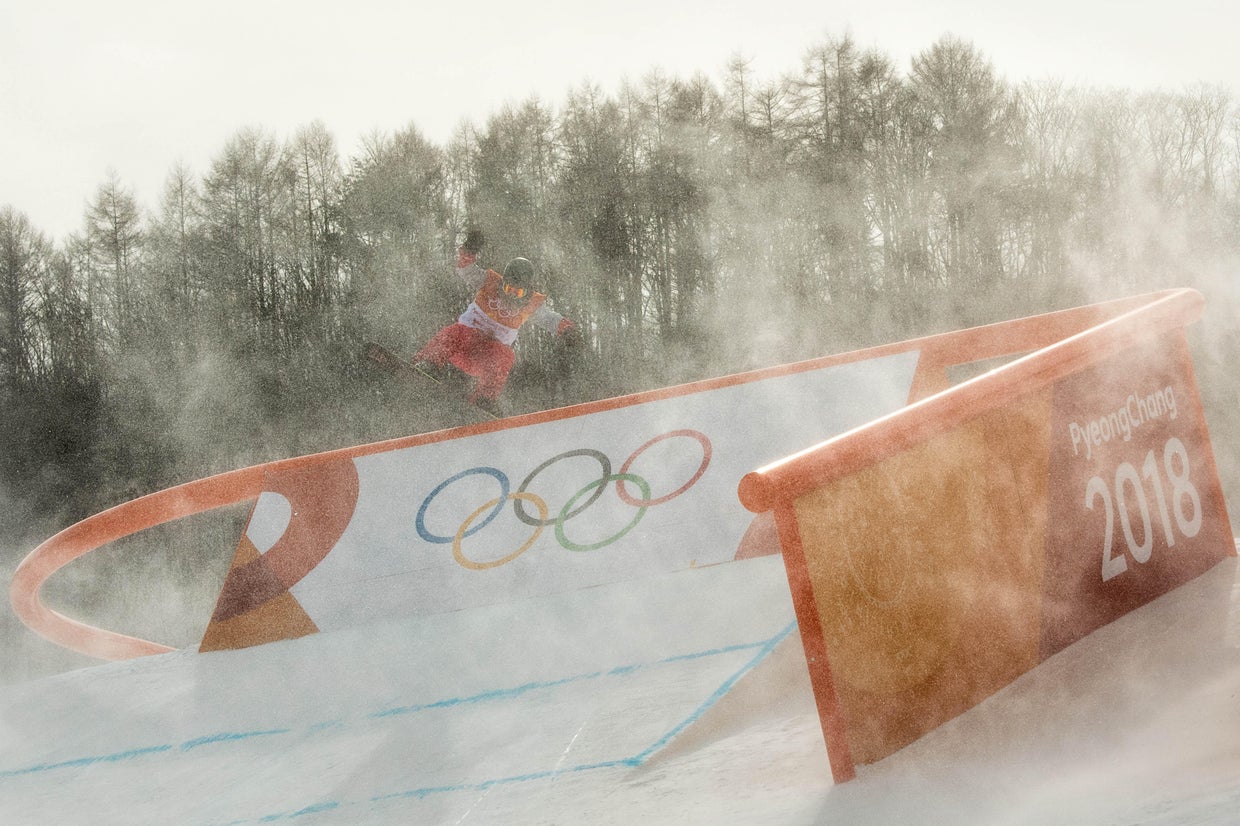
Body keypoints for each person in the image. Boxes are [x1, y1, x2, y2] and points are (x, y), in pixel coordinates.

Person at [413, 232, 579, 415]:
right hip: (463, 346)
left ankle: (485, 398)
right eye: (508, 289)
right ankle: (429, 362)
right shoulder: (489, 282)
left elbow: (550, 319)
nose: (511, 295)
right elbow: (465, 270)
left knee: (505, 355)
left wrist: (567, 330)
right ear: (503, 283)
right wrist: (469, 251)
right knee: (457, 331)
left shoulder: (531, 305)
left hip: (486, 358)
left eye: (517, 293)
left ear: (527, 291)